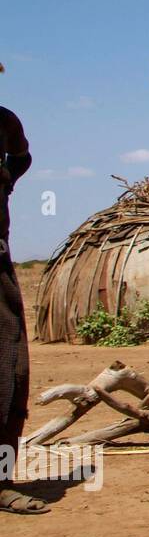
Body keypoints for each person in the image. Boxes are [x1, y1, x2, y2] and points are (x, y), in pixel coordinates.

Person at [0, 104, 43, 515]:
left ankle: (0, 481)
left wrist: (7, 181)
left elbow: (22, 156)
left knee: (9, 373)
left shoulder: (5, 121)